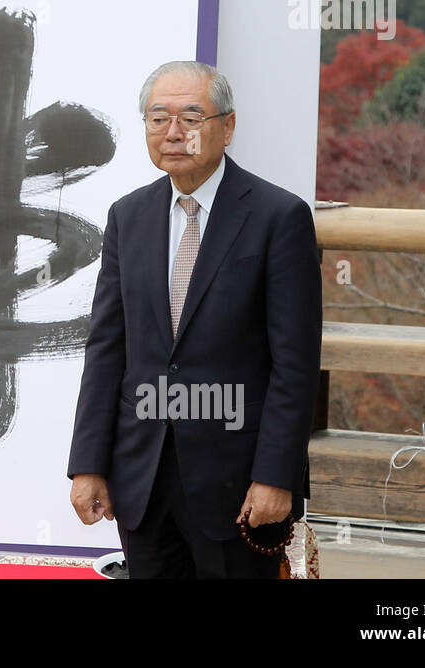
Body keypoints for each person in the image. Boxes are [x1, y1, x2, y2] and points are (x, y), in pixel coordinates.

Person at [67, 61, 321, 578]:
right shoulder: (127, 216)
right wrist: (89, 464)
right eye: (157, 118)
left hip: (239, 487)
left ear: (227, 127)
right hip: (141, 478)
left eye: (191, 117)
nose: (173, 132)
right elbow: (106, 349)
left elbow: (295, 366)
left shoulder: (279, 217)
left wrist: (276, 476)